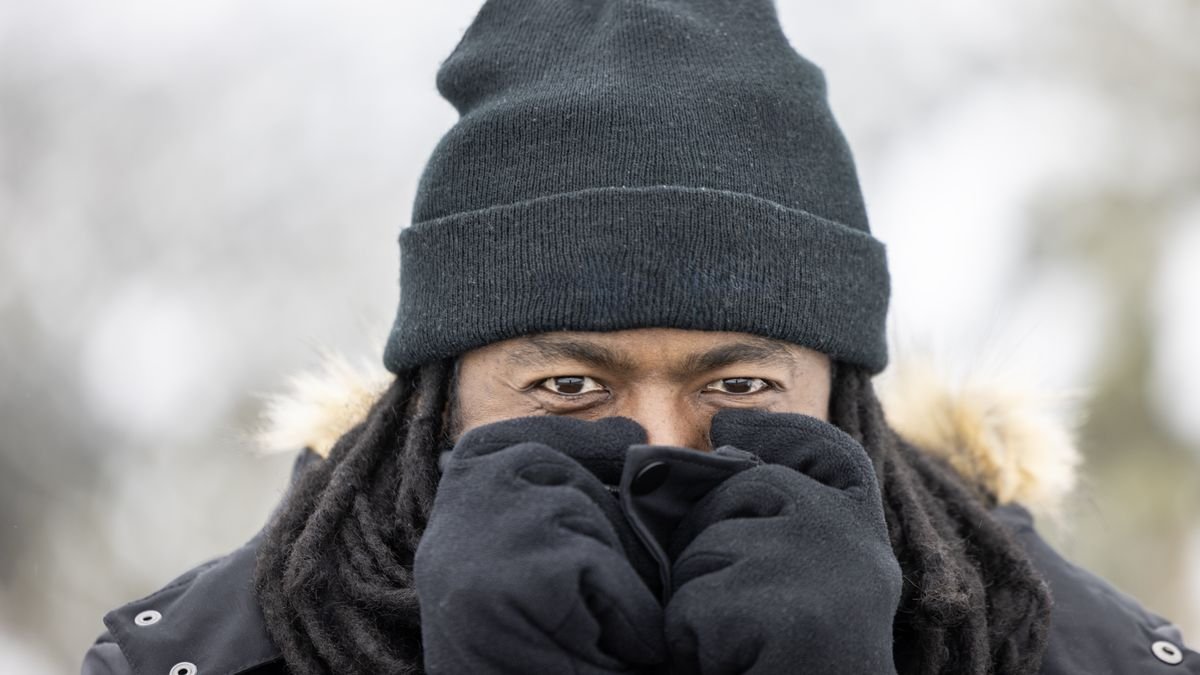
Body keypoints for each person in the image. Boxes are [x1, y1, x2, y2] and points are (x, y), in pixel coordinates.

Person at [82, 0, 1198, 673]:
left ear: (842, 396)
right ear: (441, 393)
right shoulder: (204, 656)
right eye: (570, 382)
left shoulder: (1068, 655)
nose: (662, 443)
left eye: (743, 383)